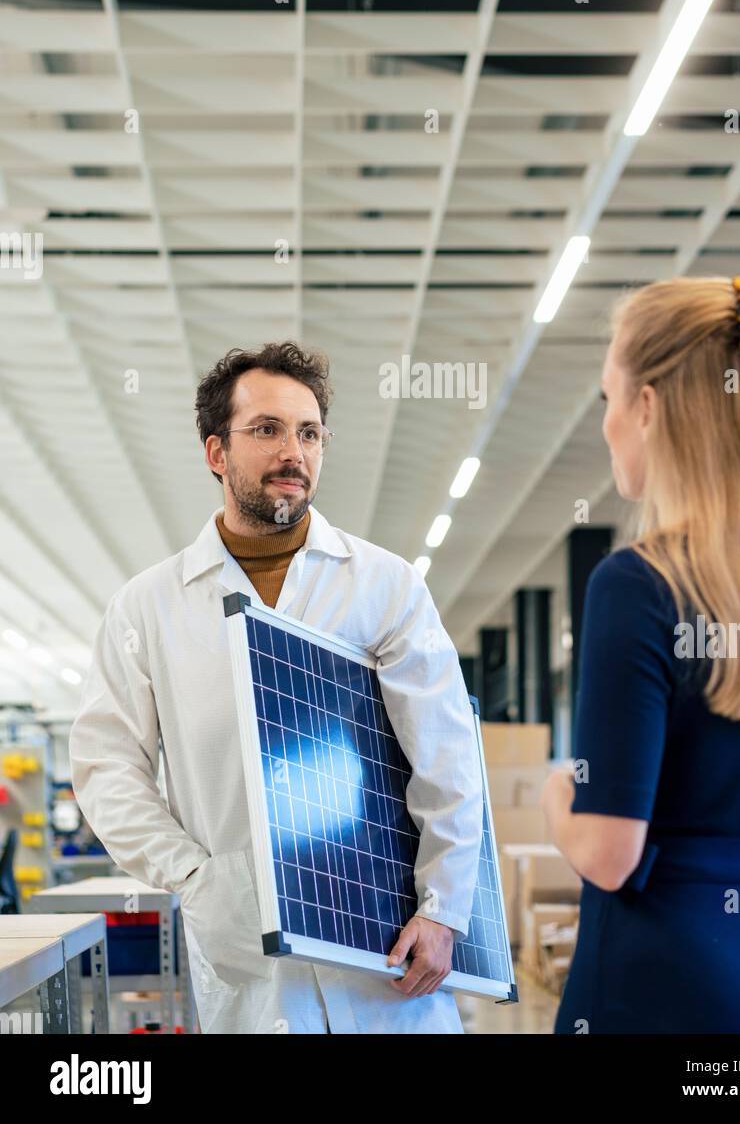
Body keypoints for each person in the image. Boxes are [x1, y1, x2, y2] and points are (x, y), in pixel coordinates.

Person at [70, 341, 483, 1033]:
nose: (293, 451)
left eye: (309, 432)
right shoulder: (148, 607)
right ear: (215, 453)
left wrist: (442, 909)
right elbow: (105, 765)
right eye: (266, 430)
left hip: (388, 953)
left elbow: (445, 756)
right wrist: (197, 877)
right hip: (246, 965)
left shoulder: (383, 586)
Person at [541, 276, 740, 1034]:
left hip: (663, 980)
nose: (608, 424)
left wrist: (562, 796)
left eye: (608, 401)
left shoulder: (638, 584)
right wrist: (722, 833)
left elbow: (609, 854)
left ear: (648, 407)